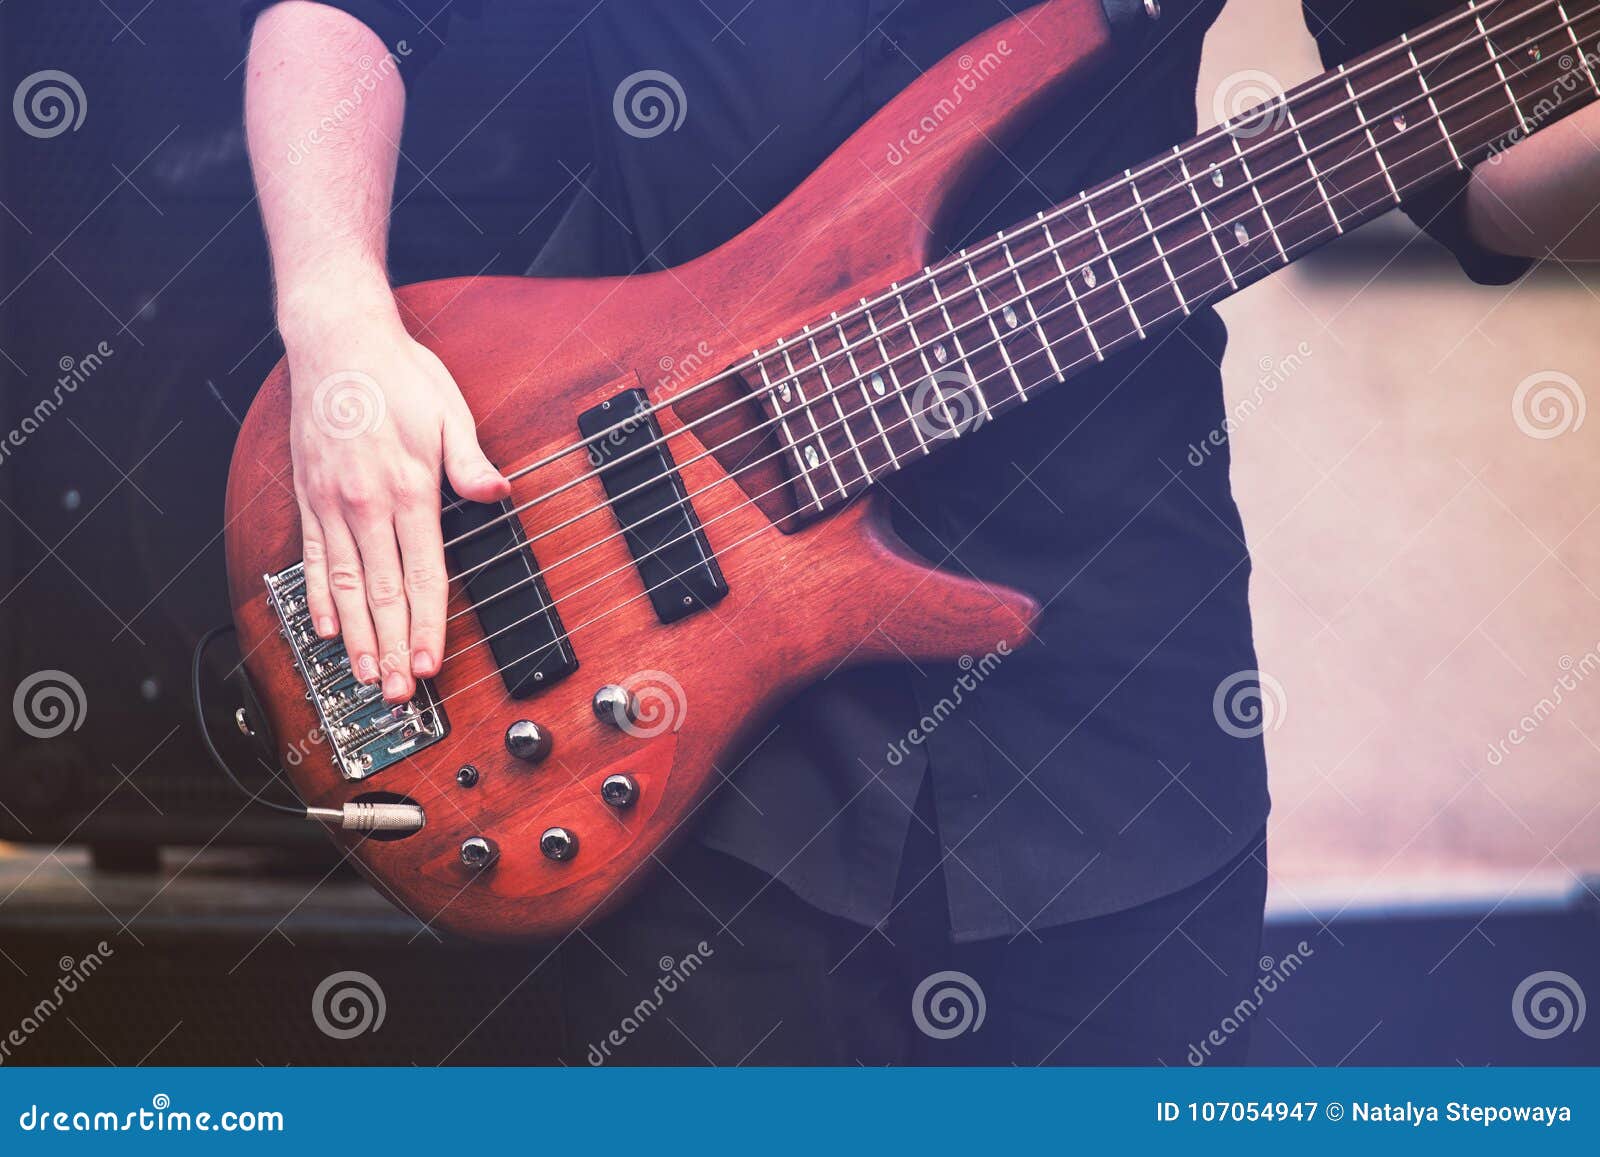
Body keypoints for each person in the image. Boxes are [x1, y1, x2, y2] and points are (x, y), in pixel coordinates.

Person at [241, 0, 1595, 1064]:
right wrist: (338, 324)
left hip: (1114, 701)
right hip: (666, 690)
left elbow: (1477, 170)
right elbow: (335, 18)